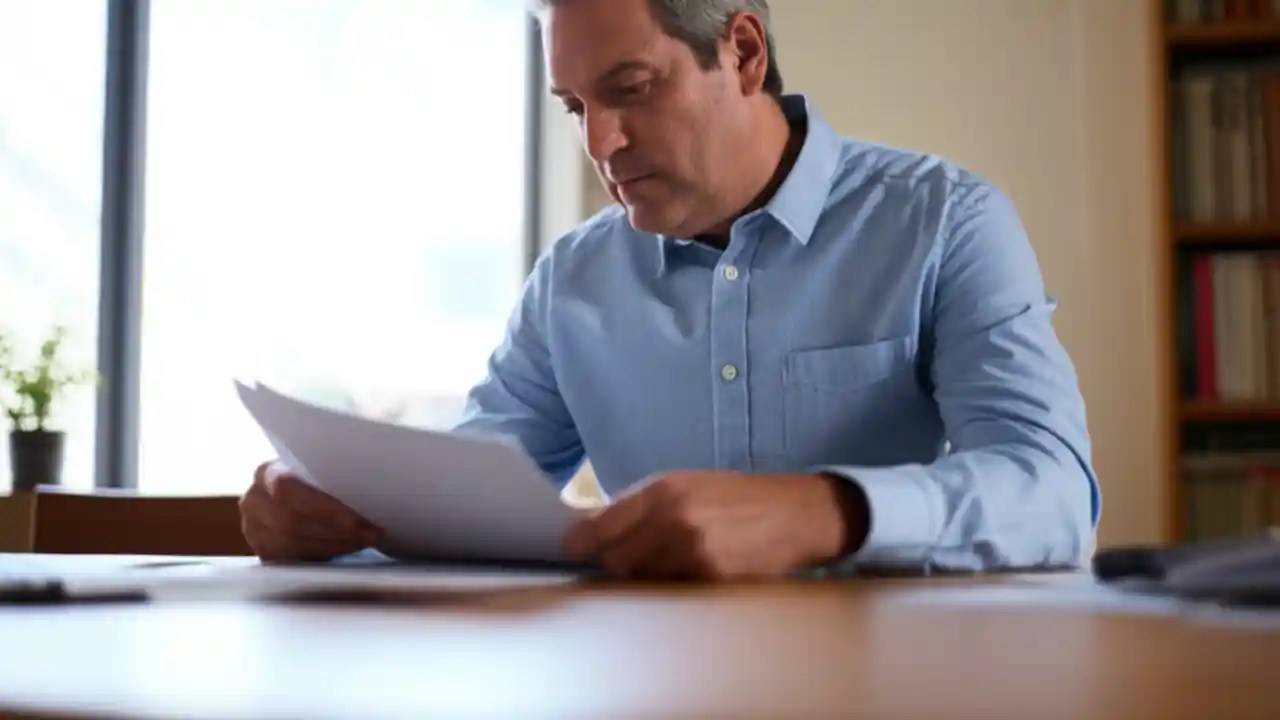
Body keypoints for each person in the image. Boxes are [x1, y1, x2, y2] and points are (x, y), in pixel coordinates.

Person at [239, 0, 1100, 580]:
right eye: (575, 107)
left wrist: (827, 513)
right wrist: (333, 517)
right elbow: (464, 505)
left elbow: (1054, 493)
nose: (602, 143)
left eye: (630, 89)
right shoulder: (570, 283)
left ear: (744, 51)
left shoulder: (945, 221)